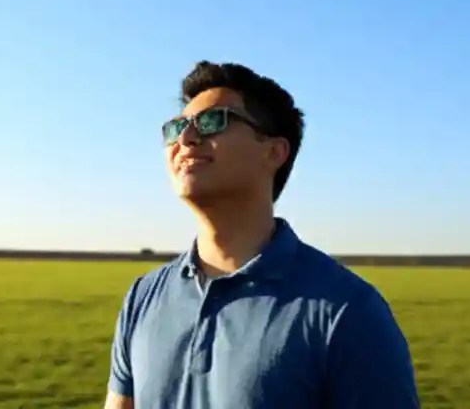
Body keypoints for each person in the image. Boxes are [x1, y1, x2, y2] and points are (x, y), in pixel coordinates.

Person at [104, 61, 420, 408]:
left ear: (274, 152)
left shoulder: (347, 311)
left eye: (213, 121)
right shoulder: (144, 297)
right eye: (177, 127)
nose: (186, 139)